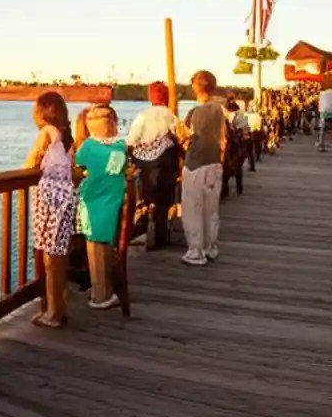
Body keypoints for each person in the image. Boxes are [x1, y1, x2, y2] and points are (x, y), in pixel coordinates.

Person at [26, 91, 77, 328]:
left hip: (50, 200)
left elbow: (30, 163)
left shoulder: (47, 132)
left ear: (43, 113)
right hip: (66, 197)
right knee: (59, 254)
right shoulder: (67, 136)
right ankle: (58, 307)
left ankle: (54, 313)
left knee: (51, 258)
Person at [75, 105, 127, 309]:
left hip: (91, 201)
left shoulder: (87, 147)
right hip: (112, 201)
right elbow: (115, 170)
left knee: (93, 246)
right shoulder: (121, 146)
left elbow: (79, 166)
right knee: (104, 246)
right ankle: (106, 289)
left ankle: (100, 295)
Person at [179, 70, 226, 266]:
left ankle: (196, 250)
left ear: (196, 87)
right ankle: (210, 246)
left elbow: (186, 138)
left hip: (196, 164)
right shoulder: (219, 110)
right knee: (211, 209)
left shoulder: (194, 113)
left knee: (193, 208)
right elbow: (223, 139)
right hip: (214, 162)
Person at [127, 81, 180, 250]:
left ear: (150, 97)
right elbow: (179, 135)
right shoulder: (170, 115)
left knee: (146, 197)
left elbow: (131, 140)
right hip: (165, 161)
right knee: (164, 199)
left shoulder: (143, 116)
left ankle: (142, 225)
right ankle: (160, 235)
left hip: (145, 163)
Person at [221, 99, 250, 198]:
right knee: (237, 167)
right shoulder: (240, 116)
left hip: (233, 144)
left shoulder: (226, 116)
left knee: (232, 166)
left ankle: (229, 188)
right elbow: (245, 130)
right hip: (234, 144)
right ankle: (238, 188)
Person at [317, 86, 332, 152]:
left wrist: (320, 111)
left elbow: (320, 105)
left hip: (324, 112)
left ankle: (321, 144)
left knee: (322, 130)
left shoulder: (323, 94)